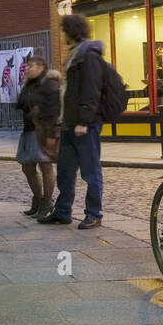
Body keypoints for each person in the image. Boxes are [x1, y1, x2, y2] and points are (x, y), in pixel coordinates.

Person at [39, 14, 104, 229]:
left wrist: (84, 121)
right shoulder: (76, 53)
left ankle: (94, 214)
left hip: (85, 125)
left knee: (90, 171)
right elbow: (69, 92)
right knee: (66, 172)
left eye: (64, 30)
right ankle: (63, 211)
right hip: (69, 123)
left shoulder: (89, 55)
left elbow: (91, 91)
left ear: (71, 31)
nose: (62, 35)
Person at [16, 55, 61, 218]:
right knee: (27, 167)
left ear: (41, 67)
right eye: (27, 66)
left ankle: (47, 202)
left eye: (31, 66)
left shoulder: (49, 84)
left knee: (45, 166)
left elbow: (54, 108)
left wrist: (49, 134)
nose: (27, 69)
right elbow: (20, 103)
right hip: (28, 129)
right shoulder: (29, 84)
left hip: (43, 130)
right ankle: (38, 198)